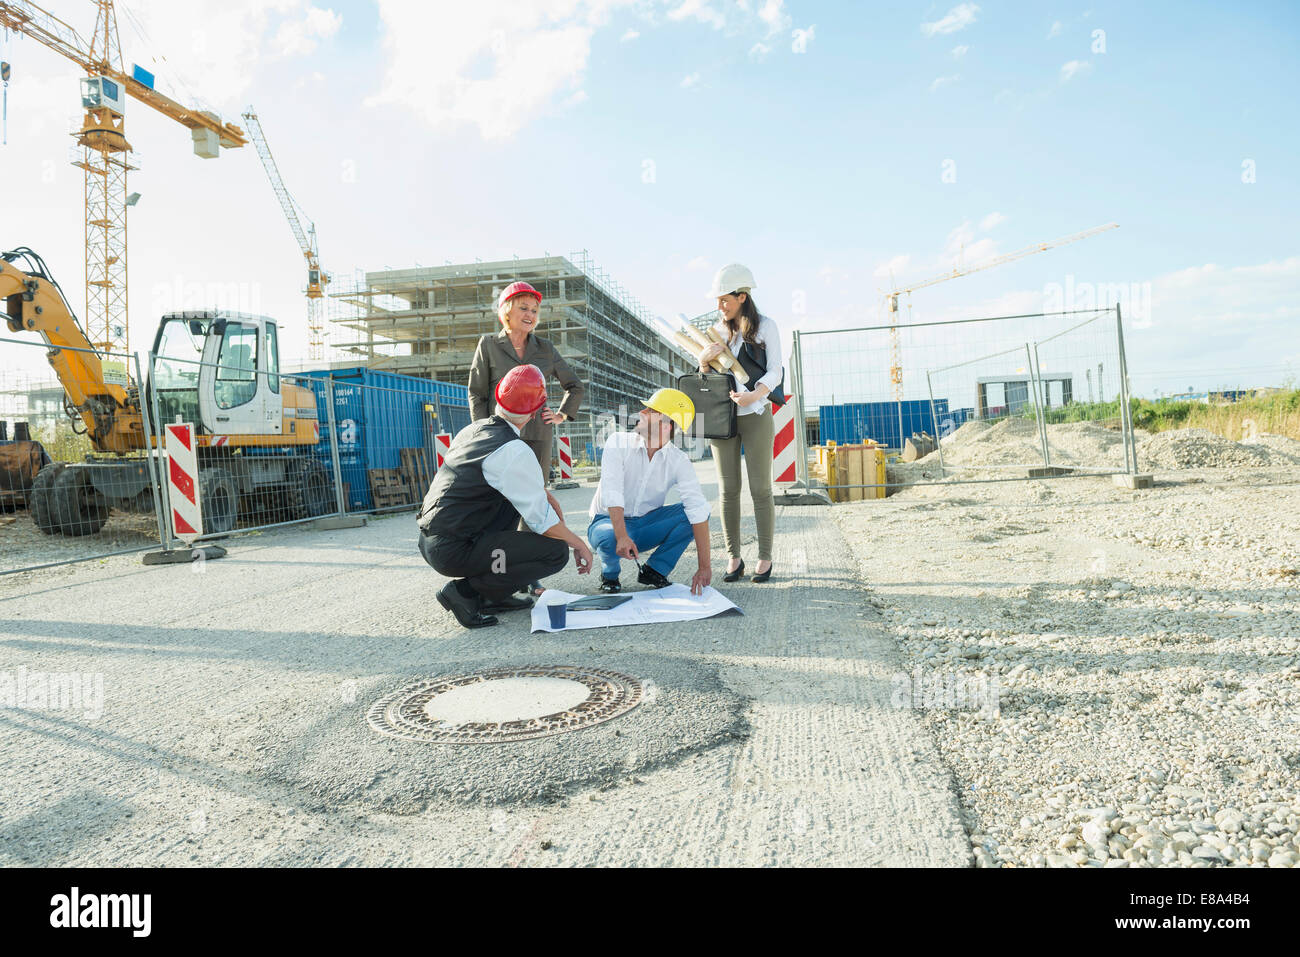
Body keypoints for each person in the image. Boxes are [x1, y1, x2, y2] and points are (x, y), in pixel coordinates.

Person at [417, 364, 593, 628]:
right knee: (555, 552)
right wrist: (579, 543)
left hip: (433, 541)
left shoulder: (474, 430)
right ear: (535, 411)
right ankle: (466, 593)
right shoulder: (513, 450)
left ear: (498, 396)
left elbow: (502, 482)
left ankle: (495, 595)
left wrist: (544, 495)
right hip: (456, 550)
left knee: (513, 505)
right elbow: (543, 523)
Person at [468, 280, 584, 596]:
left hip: (537, 435)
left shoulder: (545, 348)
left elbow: (575, 385)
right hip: (499, 437)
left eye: (534, 310)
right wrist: (483, 432)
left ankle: (525, 575)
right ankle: (495, 575)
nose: (530, 314)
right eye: (523, 308)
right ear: (507, 310)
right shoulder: (489, 345)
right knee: (498, 506)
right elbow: (477, 394)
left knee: (533, 503)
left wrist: (561, 414)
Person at [696, 263, 781, 583]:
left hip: (756, 414)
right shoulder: (716, 332)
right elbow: (705, 377)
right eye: (717, 301)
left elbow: (776, 370)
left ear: (742, 296)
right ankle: (734, 557)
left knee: (760, 488)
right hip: (723, 419)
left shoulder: (767, 327)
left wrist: (755, 394)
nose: (719, 306)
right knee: (728, 489)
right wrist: (703, 359)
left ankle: (765, 557)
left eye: (724, 300)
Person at [587, 389, 713, 596]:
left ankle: (655, 570)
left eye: (651, 410)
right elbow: (613, 492)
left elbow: (697, 508)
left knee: (697, 514)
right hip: (606, 522)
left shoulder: (678, 460)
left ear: (666, 426)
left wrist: (704, 567)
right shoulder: (617, 442)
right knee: (609, 537)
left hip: (646, 524)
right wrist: (621, 536)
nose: (642, 412)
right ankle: (610, 573)